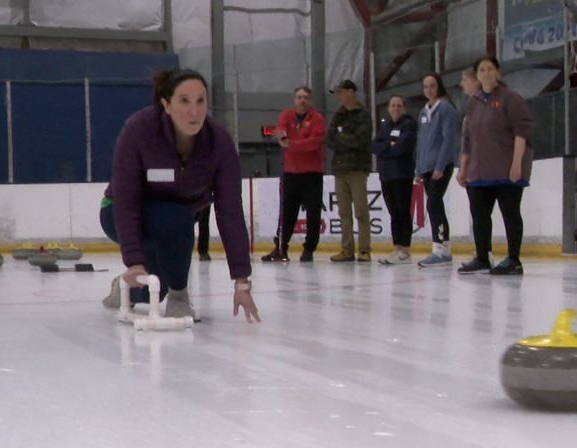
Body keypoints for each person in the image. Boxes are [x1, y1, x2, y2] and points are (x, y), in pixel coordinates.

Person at [99, 68, 260, 322]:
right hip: (118, 212)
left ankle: (125, 289)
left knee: (156, 285)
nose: (194, 112)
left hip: (174, 224)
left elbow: (230, 212)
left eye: (200, 101)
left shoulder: (219, 142)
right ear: (166, 104)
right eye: (184, 101)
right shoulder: (139, 130)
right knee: (174, 219)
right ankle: (179, 295)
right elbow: (126, 201)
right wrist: (134, 261)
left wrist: (242, 282)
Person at [457, 56, 535, 276]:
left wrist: (516, 164)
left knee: (510, 213)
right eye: (482, 70)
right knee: (479, 214)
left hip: (505, 168)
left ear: (498, 73)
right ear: (477, 75)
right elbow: (467, 139)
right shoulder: (474, 103)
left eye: (490, 69)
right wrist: (464, 167)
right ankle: (482, 256)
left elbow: (521, 132)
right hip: (479, 171)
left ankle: (513, 259)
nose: (486, 73)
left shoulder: (510, 98)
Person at [262, 86, 327, 263]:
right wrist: (289, 141)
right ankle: (281, 247)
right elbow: (281, 134)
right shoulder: (286, 115)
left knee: (313, 214)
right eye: (299, 97)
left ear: (310, 100)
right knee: (286, 213)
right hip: (290, 173)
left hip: (312, 173)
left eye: (305, 97)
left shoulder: (318, 119)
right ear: (294, 99)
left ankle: (309, 249)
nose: (302, 100)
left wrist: (291, 144)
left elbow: (313, 143)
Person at [325, 79, 373, 262]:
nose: (337, 96)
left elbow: (361, 140)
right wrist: (345, 138)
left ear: (350, 92)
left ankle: (364, 249)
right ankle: (347, 249)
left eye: (340, 92)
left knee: (361, 211)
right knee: (344, 212)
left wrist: (341, 138)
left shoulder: (363, 115)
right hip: (340, 168)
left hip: (357, 168)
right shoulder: (338, 115)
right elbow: (330, 140)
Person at [415, 73, 459, 268]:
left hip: (441, 165)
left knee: (433, 204)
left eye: (432, 85)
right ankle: (445, 249)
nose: (429, 90)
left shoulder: (445, 108)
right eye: (425, 86)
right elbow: (421, 141)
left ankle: (439, 248)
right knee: (436, 204)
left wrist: (440, 166)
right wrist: (418, 168)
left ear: (439, 86)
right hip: (426, 166)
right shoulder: (423, 112)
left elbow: (449, 139)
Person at [371, 95, 417, 264]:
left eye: (399, 105)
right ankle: (396, 247)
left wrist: (386, 149)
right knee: (393, 212)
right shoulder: (385, 126)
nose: (396, 108)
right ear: (388, 108)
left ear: (404, 108)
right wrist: (388, 145)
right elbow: (373, 146)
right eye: (393, 105)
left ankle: (405, 249)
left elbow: (402, 147)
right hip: (386, 175)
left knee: (402, 211)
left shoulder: (409, 124)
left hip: (402, 174)